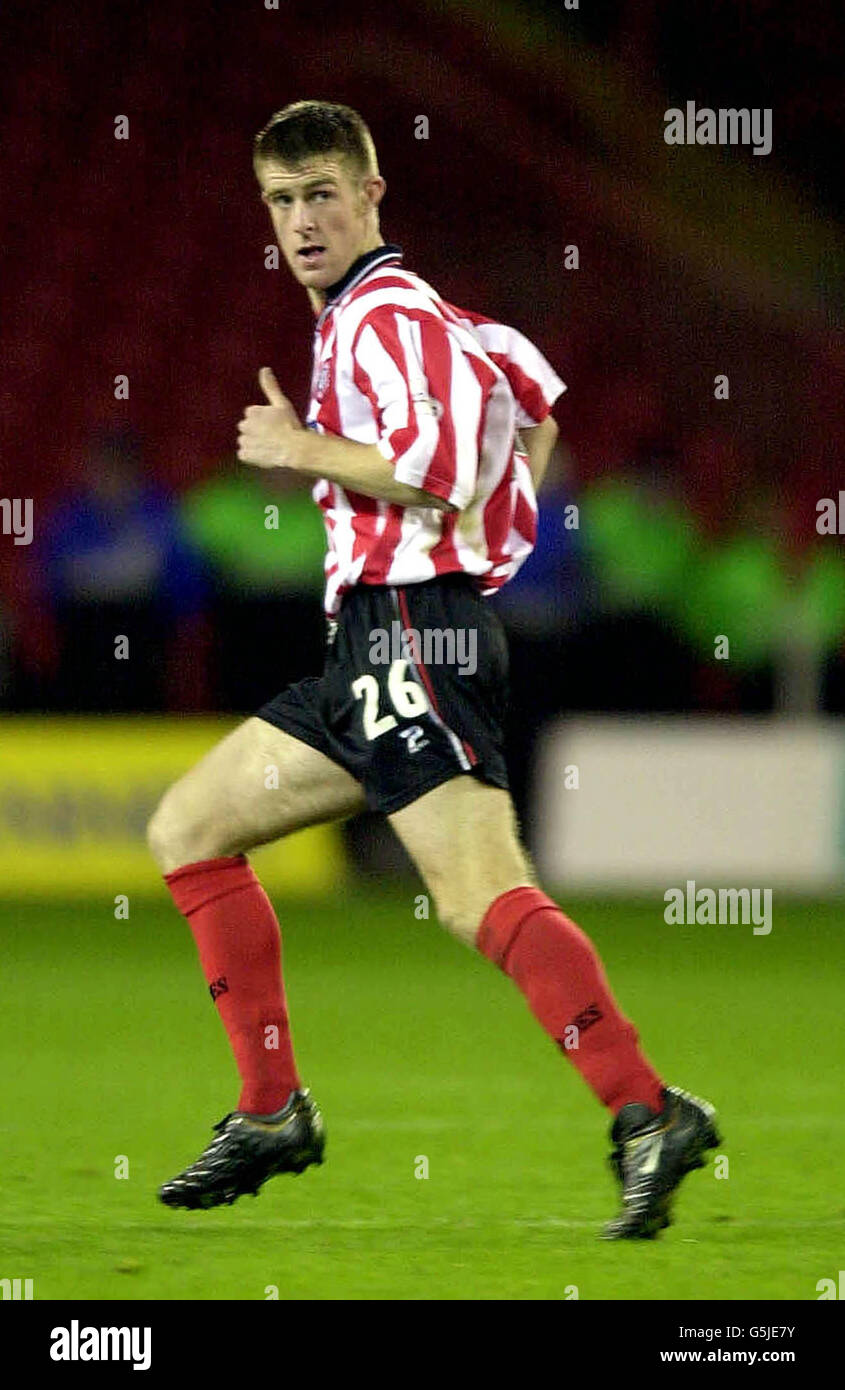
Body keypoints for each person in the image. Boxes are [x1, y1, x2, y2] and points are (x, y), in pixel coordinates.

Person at [148, 100, 719, 1239]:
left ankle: (648, 1108)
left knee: (475, 895)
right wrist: (488, 541)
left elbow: (450, 466)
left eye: (320, 192)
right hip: (374, 640)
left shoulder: (382, 316)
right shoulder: (426, 317)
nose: (301, 220)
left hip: (411, 629)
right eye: (280, 199)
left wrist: (301, 451)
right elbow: (532, 398)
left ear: (370, 195)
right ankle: (272, 1114)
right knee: (189, 829)